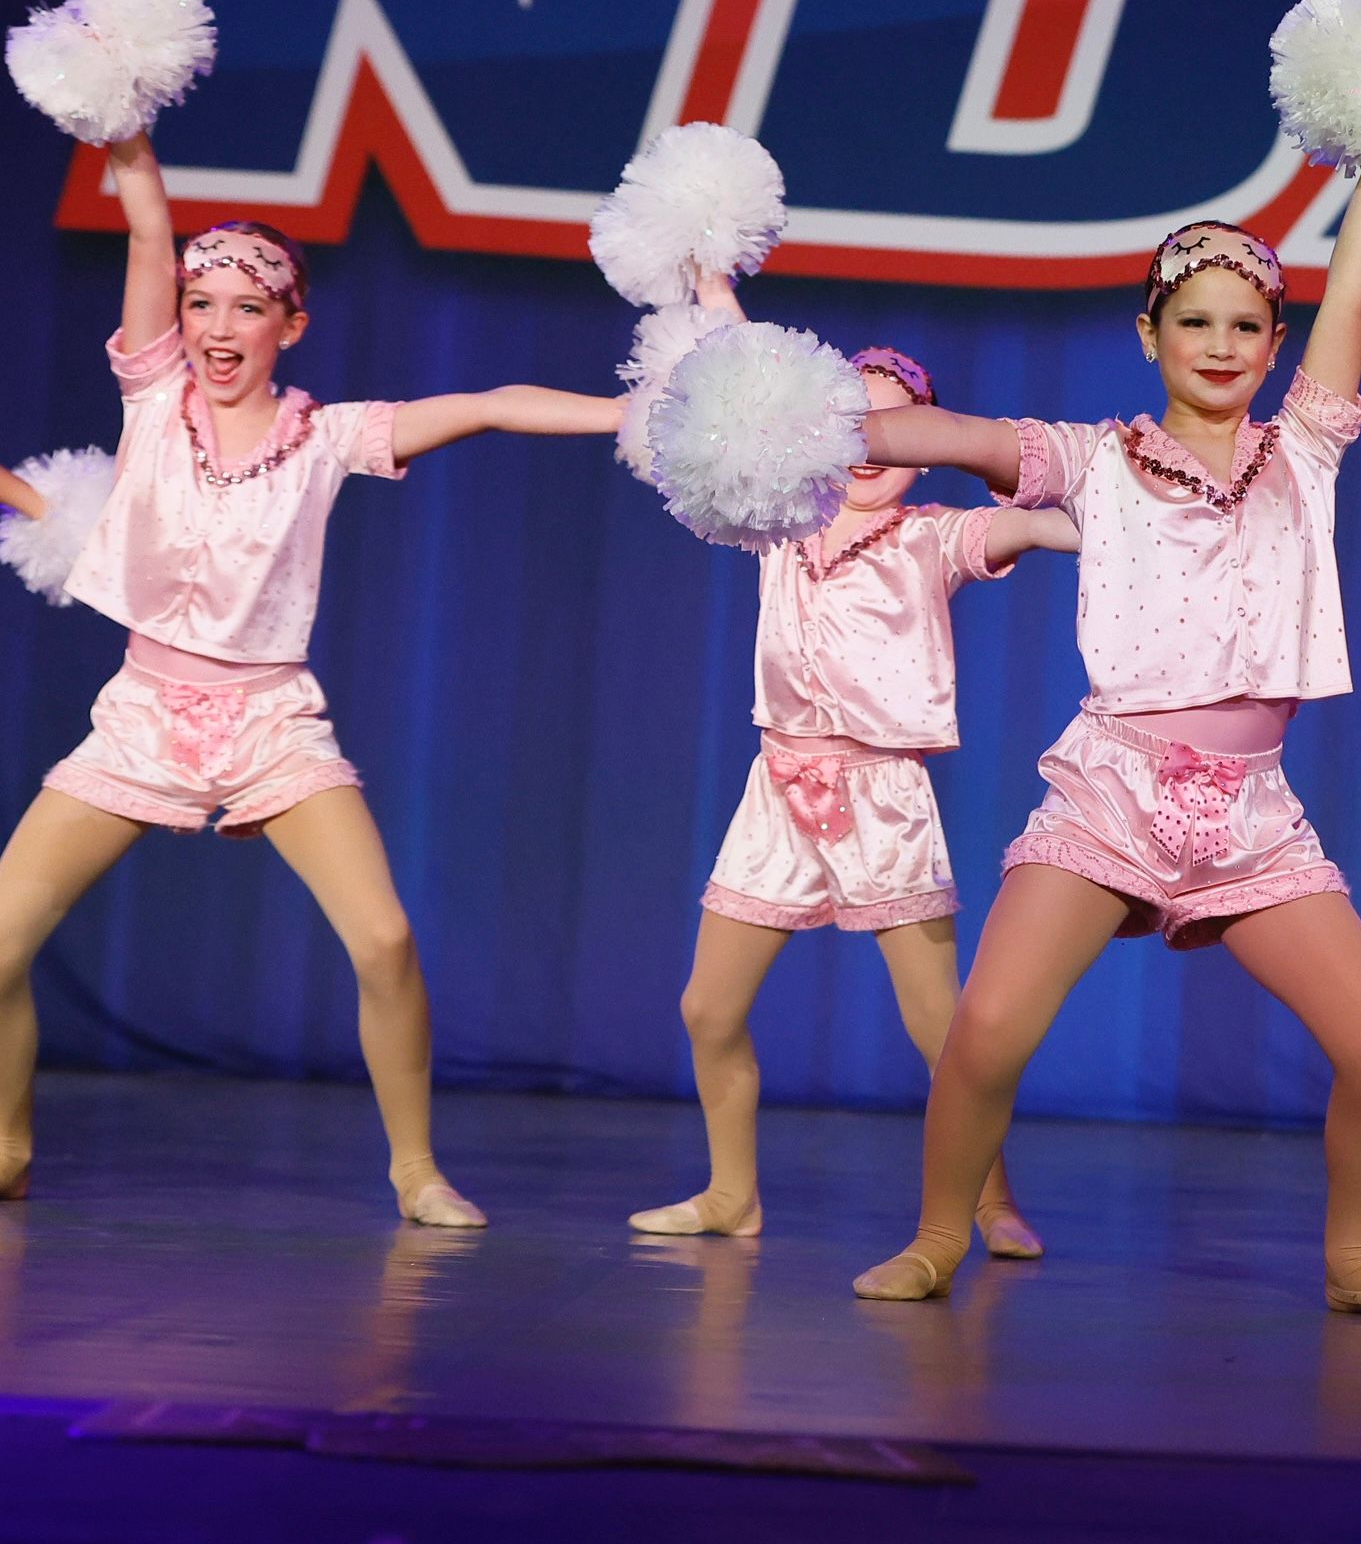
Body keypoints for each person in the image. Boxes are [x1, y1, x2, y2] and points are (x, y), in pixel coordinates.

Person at [848, 179, 1361, 1321]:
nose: (1219, 345)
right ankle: (936, 1238)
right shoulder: (1089, 459)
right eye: (1193, 322)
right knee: (986, 1026)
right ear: (1149, 335)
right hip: (1109, 797)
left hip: (1249, 814)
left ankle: (1354, 1262)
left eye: (1244, 326)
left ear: (1276, 345)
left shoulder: (1304, 452)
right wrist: (812, 427)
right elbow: (950, 433)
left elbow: (1355, 293)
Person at [0, 131, 623, 1226]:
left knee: (381, 939)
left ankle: (416, 1169)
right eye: (201, 305)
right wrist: (128, 133)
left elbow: (486, 403)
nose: (216, 327)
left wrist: (630, 415)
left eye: (247, 309)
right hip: (143, 712)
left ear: (290, 325)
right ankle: (6, 1141)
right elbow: (147, 224)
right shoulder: (152, 402)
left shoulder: (330, 438)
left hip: (271, 722)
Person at [630, 274, 1075, 1254]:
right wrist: (713, 286)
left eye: (894, 429)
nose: (871, 446)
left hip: (883, 798)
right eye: (851, 425)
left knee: (941, 1030)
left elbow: (1032, 525)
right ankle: (730, 1195)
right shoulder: (776, 520)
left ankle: (992, 1201)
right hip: (776, 788)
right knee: (707, 1005)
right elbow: (744, 374)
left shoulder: (935, 539)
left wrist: (1113, 526)